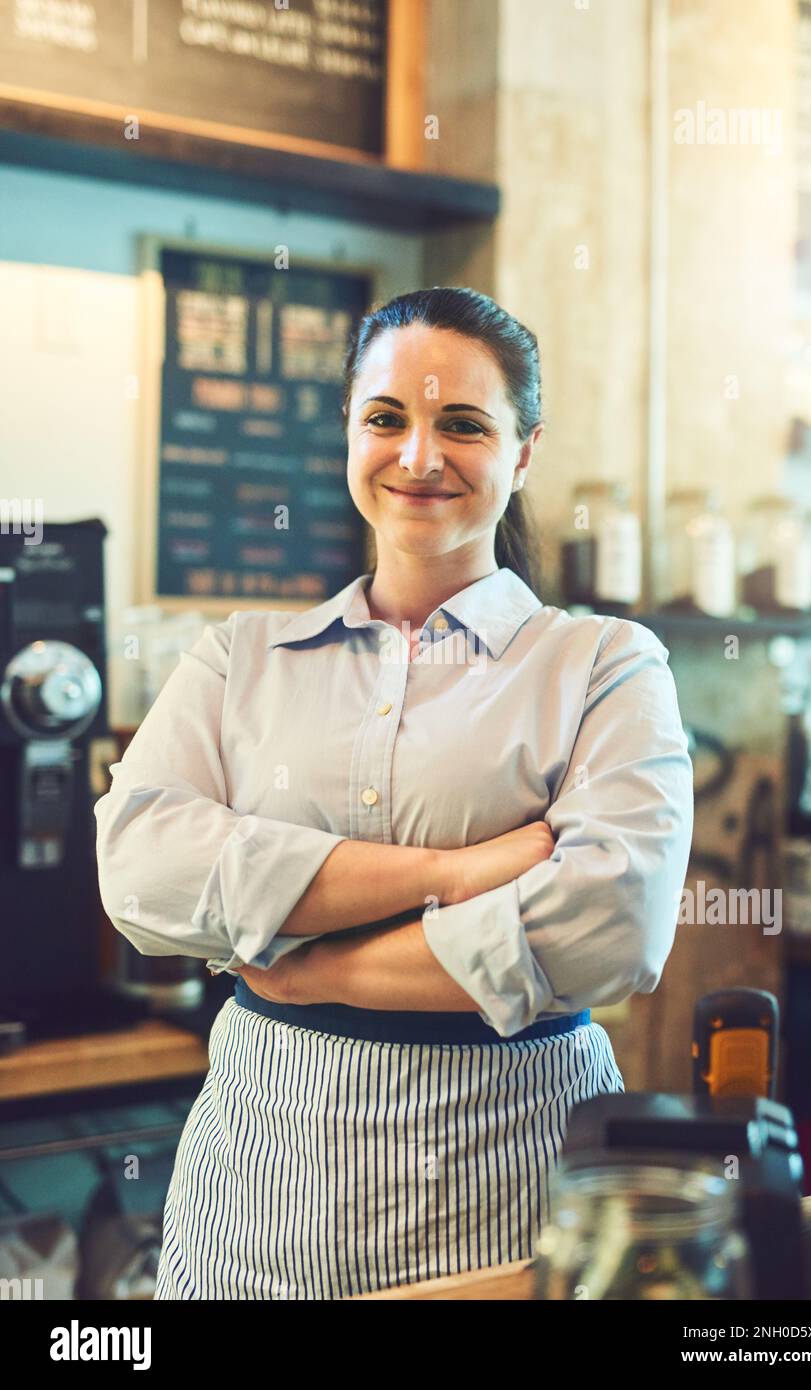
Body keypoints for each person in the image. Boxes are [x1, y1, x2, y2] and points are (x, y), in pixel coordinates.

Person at [94, 286, 694, 1300]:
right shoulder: (239, 658)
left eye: (461, 424)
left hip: (505, 1200)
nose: (419, 457)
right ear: (348, 433)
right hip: (253, 1200)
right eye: (386, 419)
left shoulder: (602, 663)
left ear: (522, 451)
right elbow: (142, 872)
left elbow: (609, 925)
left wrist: (304, 963)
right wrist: (460, 872)